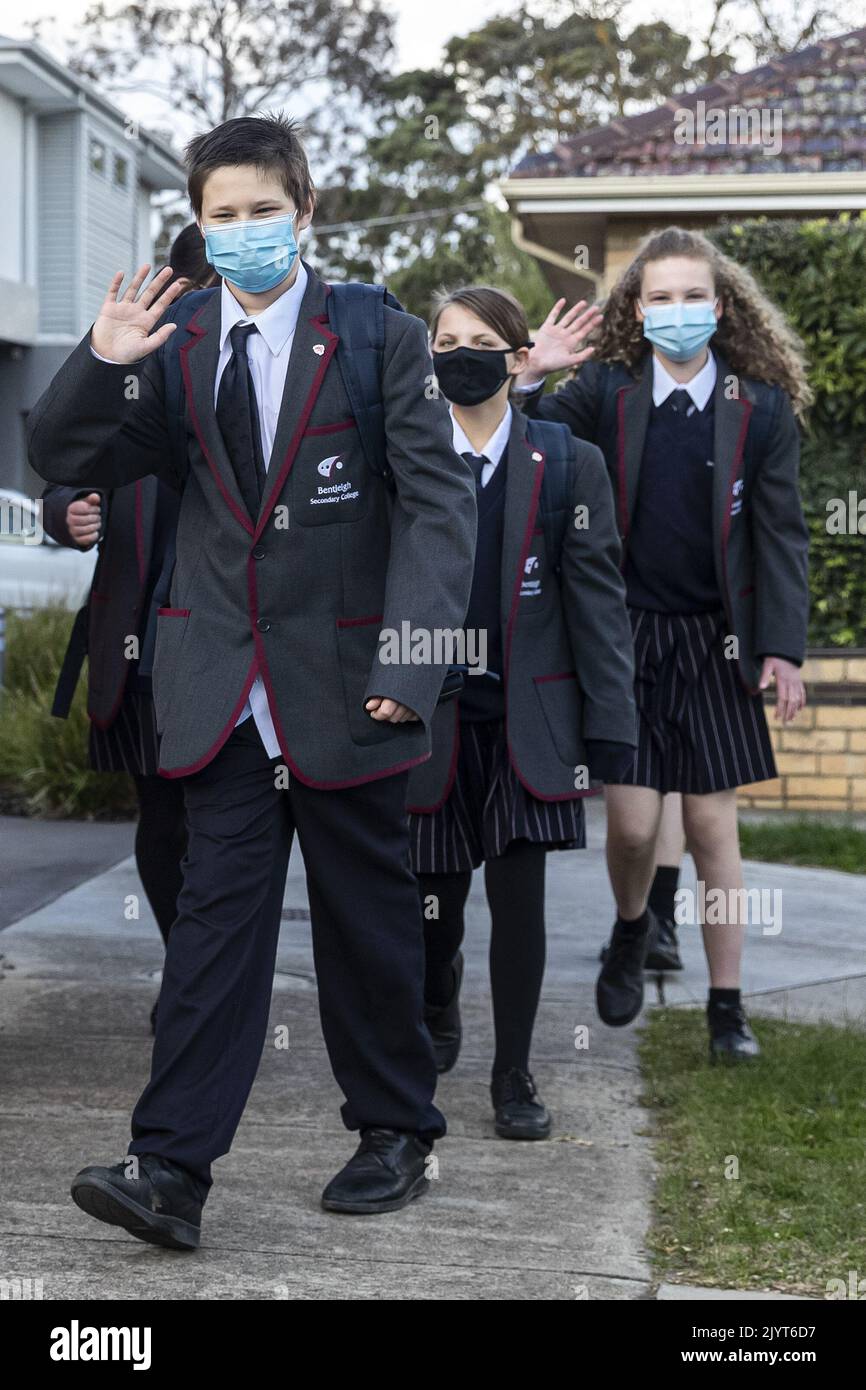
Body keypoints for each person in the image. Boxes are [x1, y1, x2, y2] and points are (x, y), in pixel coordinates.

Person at [27, 113, 477, 1249]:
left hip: (353, 689)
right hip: (220, 694)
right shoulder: (174, 347)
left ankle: (392, 1131)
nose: (241, 233)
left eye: (261, 212)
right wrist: (101, 358)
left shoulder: (377, 334)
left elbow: (438, 508)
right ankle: (169, 1168)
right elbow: (62, 455)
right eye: (219, 216)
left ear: (305, 211)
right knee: (213, 932)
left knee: (365, 924)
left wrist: (411, 669)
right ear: (198, 224)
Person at [515, 226, 811, 1060]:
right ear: (635, 311)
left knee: (716, 833)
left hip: (718, 644)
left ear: (718, 308)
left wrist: (781, 649)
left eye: (693, 296)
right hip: (623, 639)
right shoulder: (606, 392)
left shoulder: (759, 408)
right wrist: (532, 371)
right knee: (636, 828)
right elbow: (527, 441)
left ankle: (727, 1008)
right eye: (660, 297)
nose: (678, 311)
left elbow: (781, 537)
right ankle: (631, 926)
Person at [407, 285, 636, 1137]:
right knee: (433, 900)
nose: (458, 352)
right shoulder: (408, 451)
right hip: (426, 715)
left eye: (478, 340)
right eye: (444, 339)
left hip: (526, 724)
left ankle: (514, 1074)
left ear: (514, 359)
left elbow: (598, 605)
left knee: (520, 901)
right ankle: (436, 1002)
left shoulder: (566, 460)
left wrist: (611, 723)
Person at [41, 225, 218, 1034]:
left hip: (235, 629)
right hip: (140, 626)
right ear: (176, 289)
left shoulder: (280, 363)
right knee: (164, 813)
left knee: (227, 817)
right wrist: (63, 514)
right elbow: (66, 470)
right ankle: (187, 973)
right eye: (202, 284)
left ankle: (210, 978)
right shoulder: (138, 362)